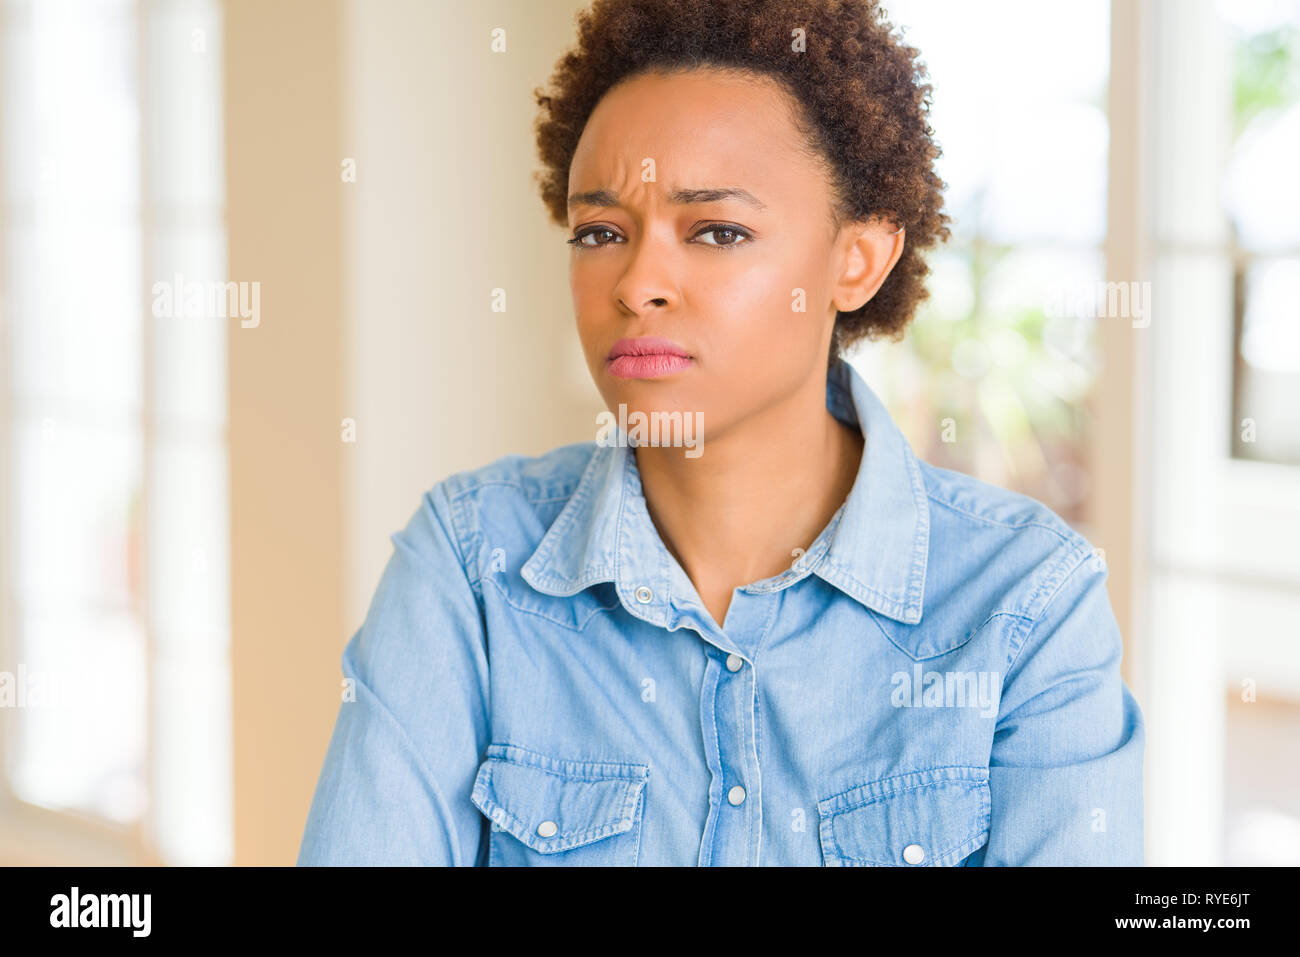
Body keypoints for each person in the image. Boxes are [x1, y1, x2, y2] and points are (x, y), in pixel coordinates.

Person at [298, 0, 1144, 866]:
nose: (638, 284)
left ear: (857, 259)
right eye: (600, 232)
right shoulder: (470, 567)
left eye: (717, 230)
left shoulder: (1028, 605)